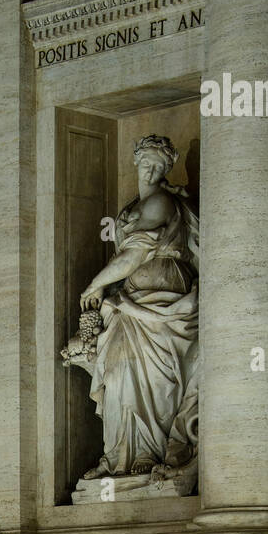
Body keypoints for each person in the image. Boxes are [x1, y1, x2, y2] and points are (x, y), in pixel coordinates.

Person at [75, 134, 199, 479]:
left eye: (159, 166)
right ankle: (119, 457)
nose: (152, 171)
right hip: (130, 303)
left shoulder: (160, 203)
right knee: (118, 374)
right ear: (136, 162)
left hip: (160, 301)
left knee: (155, 383)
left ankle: (149, 453)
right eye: (147, 163)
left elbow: (134, 256)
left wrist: (95, 284)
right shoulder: (131, 208)